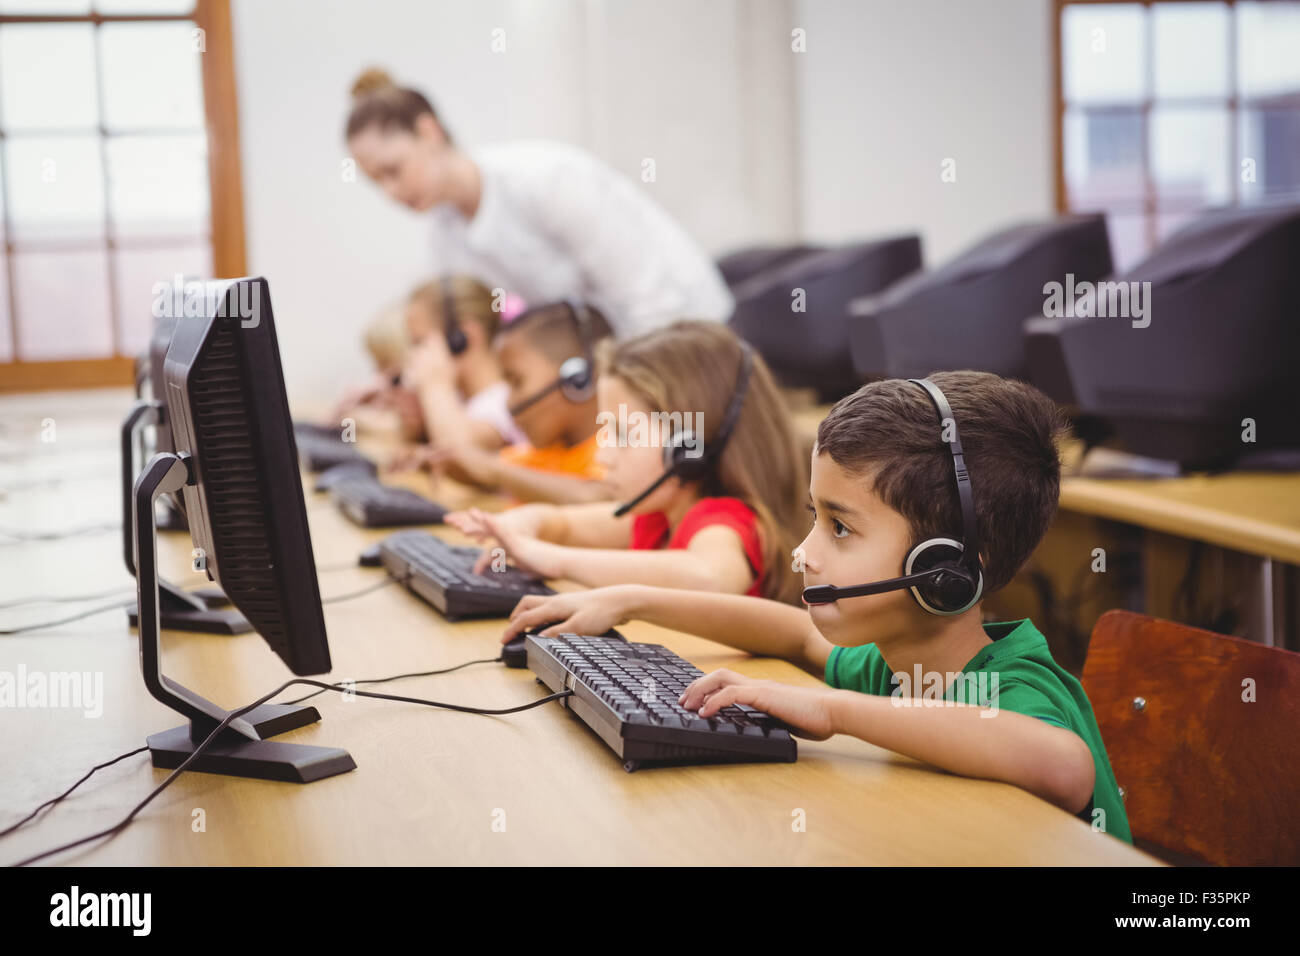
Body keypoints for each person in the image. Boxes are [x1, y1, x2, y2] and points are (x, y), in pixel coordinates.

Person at [497, 371, 1134, 843]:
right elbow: (797, 635)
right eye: (814, 517)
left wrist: (834, 710)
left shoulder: (1011, 684)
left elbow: (1063, 763)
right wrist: (633, 599)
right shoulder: (893, 662)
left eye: (840, 528)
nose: (804, 554)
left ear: (948, 569)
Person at [344, 68, 734, 338]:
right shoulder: (446, 241)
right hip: (614, 360)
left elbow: (650, 299)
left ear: (429, 132)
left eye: (393, 170)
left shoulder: (547, 179)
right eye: (376, 182)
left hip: (693, 332)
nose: (390, 193)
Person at [446, 321, 807, 602]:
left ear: (688, 447)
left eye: (623, 435)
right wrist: (519, 527)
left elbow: (710, 575)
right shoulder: (656, 516)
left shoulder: (725, 521)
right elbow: (562, 525)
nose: (604, 456)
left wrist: (555, 559)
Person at [400, 275, 525, 451]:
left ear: (462, 339)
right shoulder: (462, 402)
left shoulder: (503, 404)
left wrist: (434, 383)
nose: (414, 356)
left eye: (420, 343)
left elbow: (458, 453)